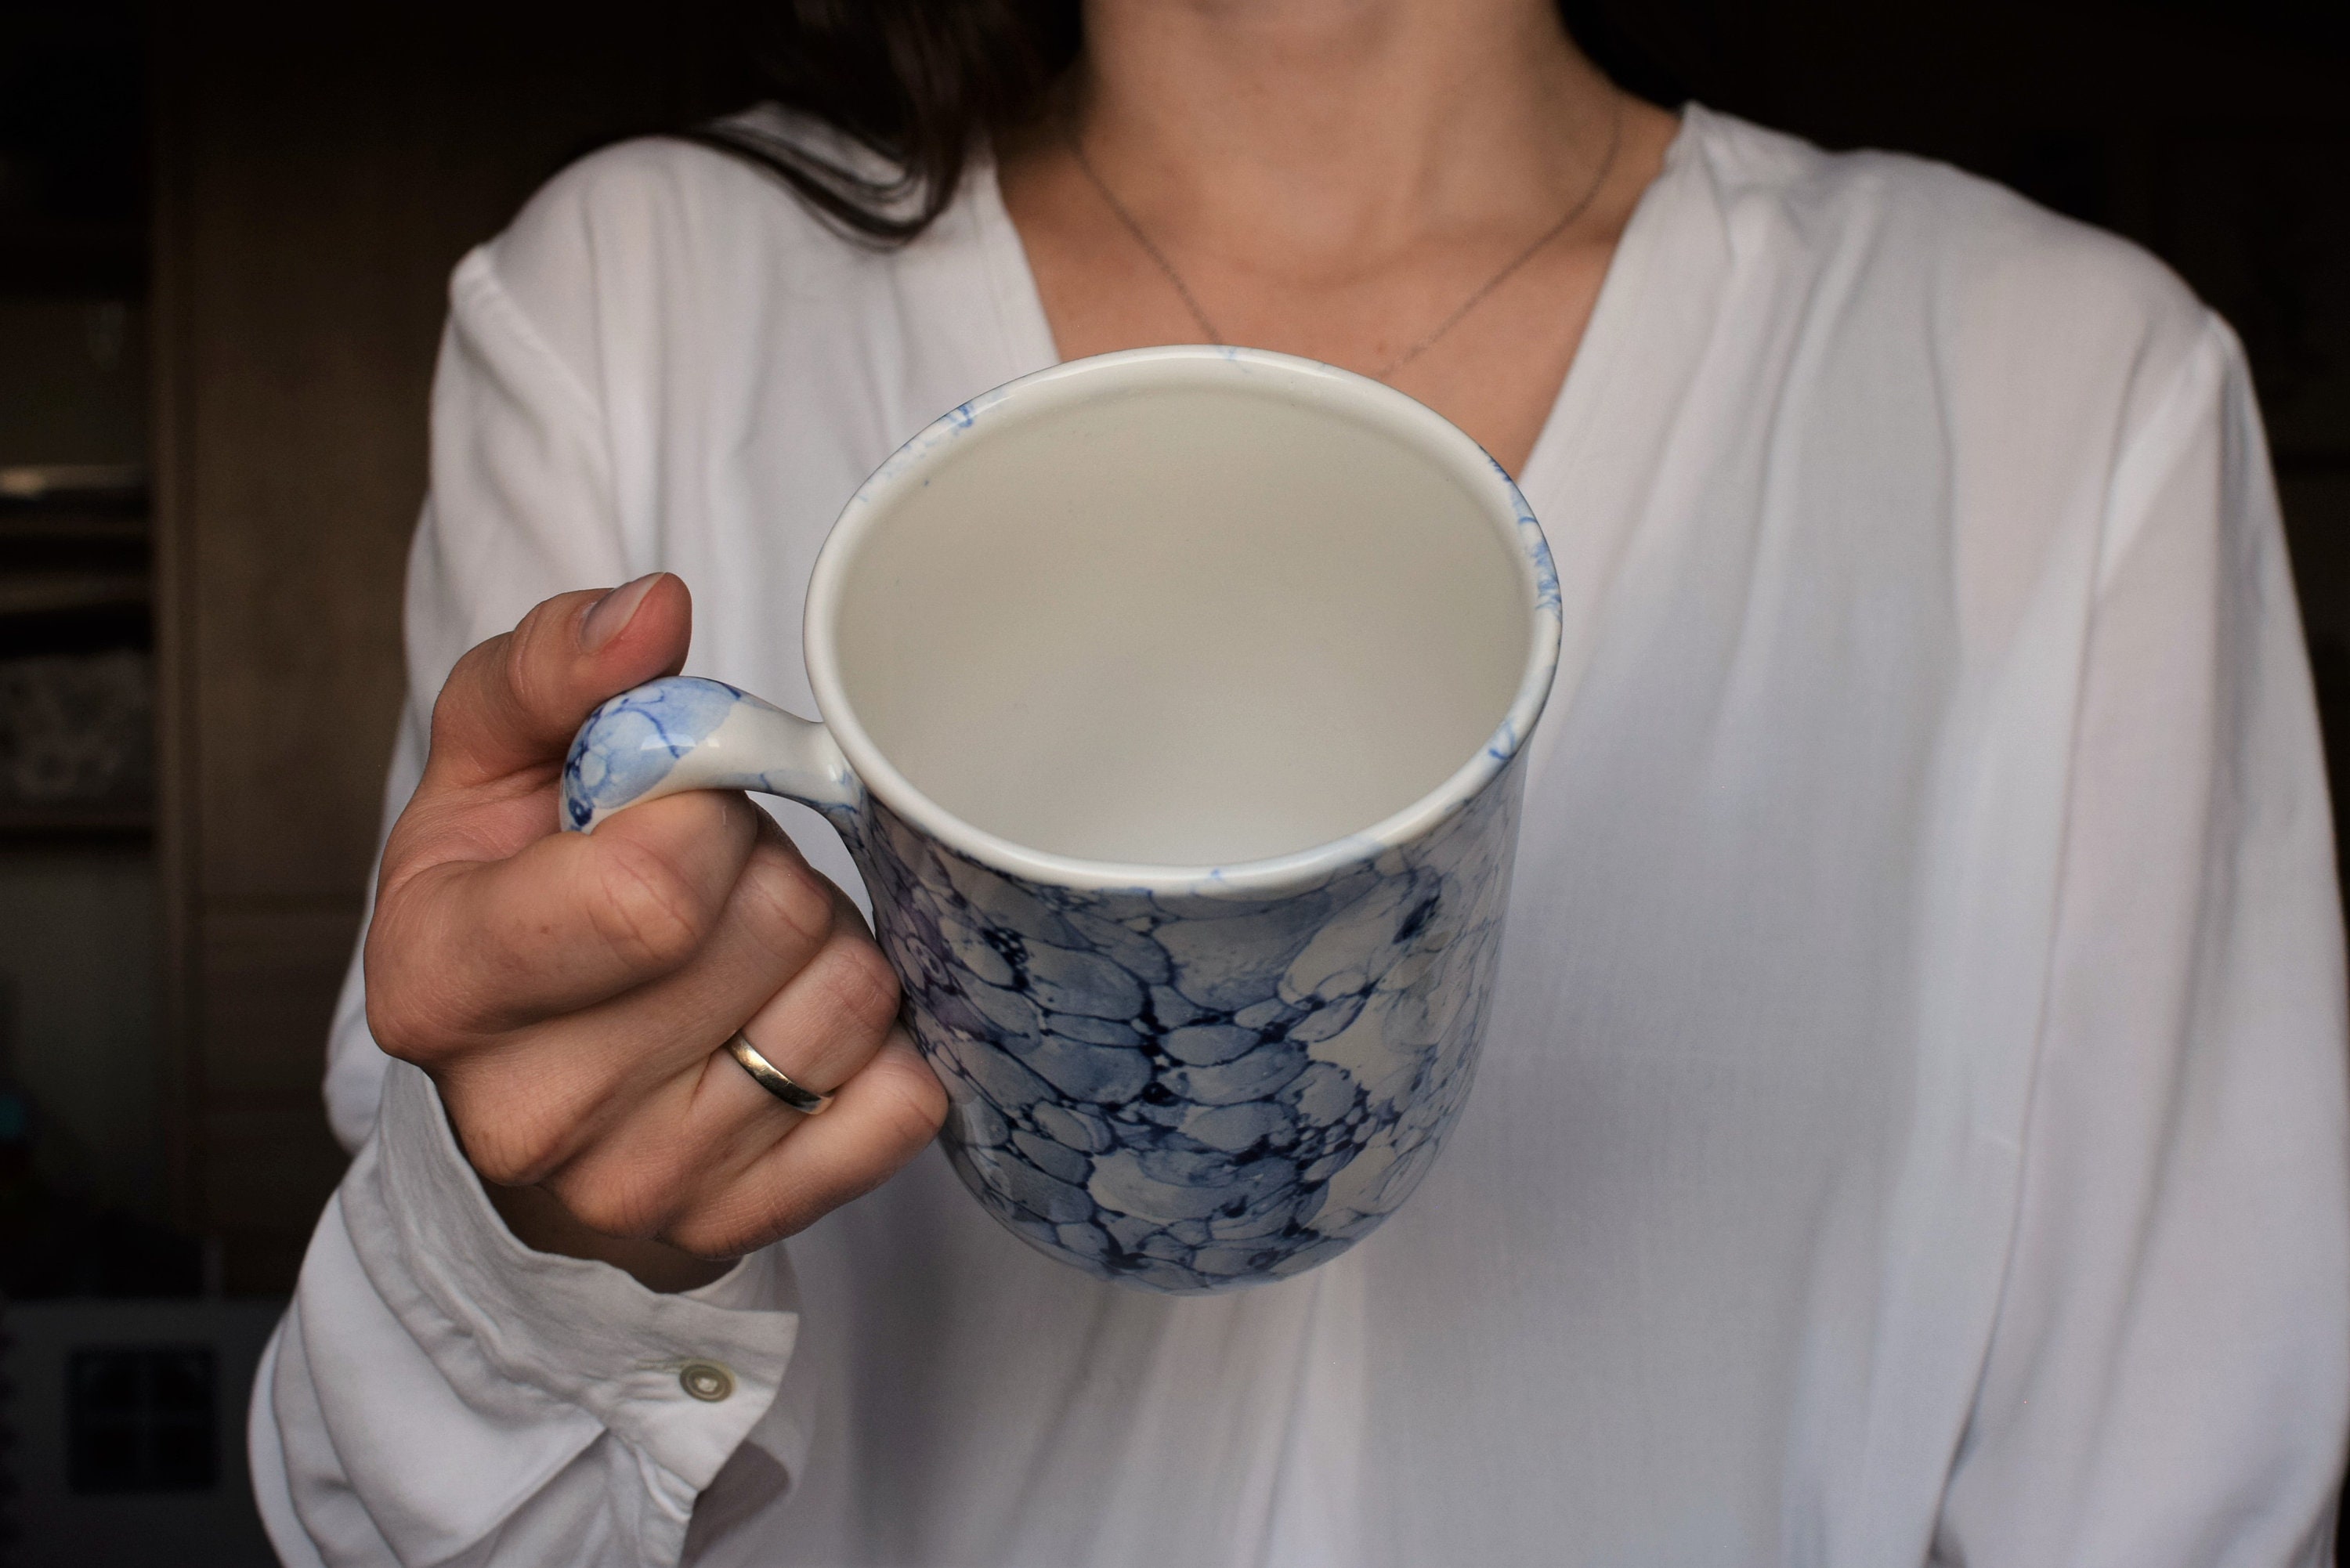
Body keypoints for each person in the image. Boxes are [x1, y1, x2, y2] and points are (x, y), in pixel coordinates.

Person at [250, 2, 2350, 1563]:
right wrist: (545, 1251)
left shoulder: (2068, 395)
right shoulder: (634, 302)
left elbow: (2173, 1487)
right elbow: (396, 1517)